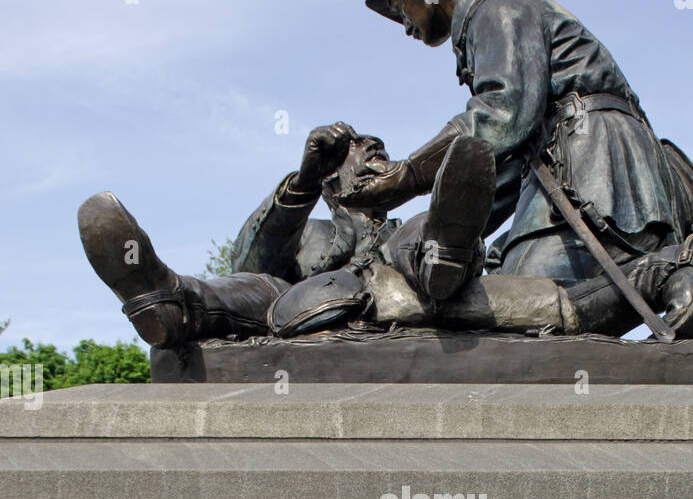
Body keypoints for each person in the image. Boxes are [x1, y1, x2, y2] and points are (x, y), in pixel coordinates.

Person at [337, 0, 693, 338]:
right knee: (527, 305)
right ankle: (674, 273)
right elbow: (502, 164)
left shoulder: (499, 10)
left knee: (519, 303)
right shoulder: (489, 22)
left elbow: (504, 112)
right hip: (573, 164)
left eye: (398, 7)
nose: (404, 25)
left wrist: (406, 176)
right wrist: (443, 234)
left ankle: (683, 266)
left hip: (592, 162)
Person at [78, 123, 497, 347]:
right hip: (303, 305)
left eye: (382, 158)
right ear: (331, 183)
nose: (376, 156)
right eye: (361, 157)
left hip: (407, 280)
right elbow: (245, 264)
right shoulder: (309, 233)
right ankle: (169, 303)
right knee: (259, 284)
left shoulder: (402, 228)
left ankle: (447, 253)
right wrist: (304, 181)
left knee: (424, 231)